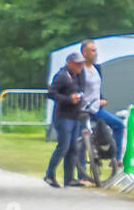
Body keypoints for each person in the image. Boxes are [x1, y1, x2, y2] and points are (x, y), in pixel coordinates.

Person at [45, 50, 87, 187]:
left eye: (81, 64)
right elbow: (51, 93)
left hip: (75, 116)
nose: (80, 67)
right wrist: (69, 99)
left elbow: (81, 90)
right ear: (69, 63)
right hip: (63, 116)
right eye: (77, 64)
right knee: (63, 146)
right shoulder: (62, 76)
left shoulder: (78, 76)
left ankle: (69, 178)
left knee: (73, 147)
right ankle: (49, 174)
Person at [80, 39, 124, 161]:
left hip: (96, 108)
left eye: (96, 50)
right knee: (83, 140)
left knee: (119, 125)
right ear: (84, 52)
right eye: (93, 50)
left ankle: (116, 157)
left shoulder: (96, 68)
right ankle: (82, 176)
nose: (96, 53)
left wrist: (101, 98)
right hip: (82, 109)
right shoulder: (79, 70)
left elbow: (96, 89)